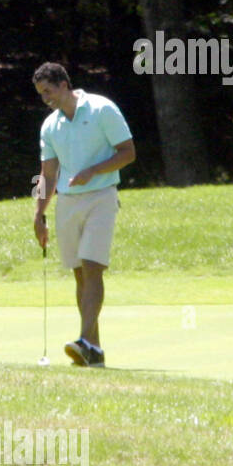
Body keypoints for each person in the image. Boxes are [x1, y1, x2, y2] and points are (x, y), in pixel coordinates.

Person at [31, 62, 136, 368]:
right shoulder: (50, 126)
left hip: (102, 196)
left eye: (48, 91)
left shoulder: (102, 109)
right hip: (68, 203)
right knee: (79, 273)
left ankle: (84, 340)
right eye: (41, 93)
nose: (45, 98)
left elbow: (128, 152)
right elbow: (47, 175)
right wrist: (39, 213)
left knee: (92, 267)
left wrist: (93, 170)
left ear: (64, 84)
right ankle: (94, 350)